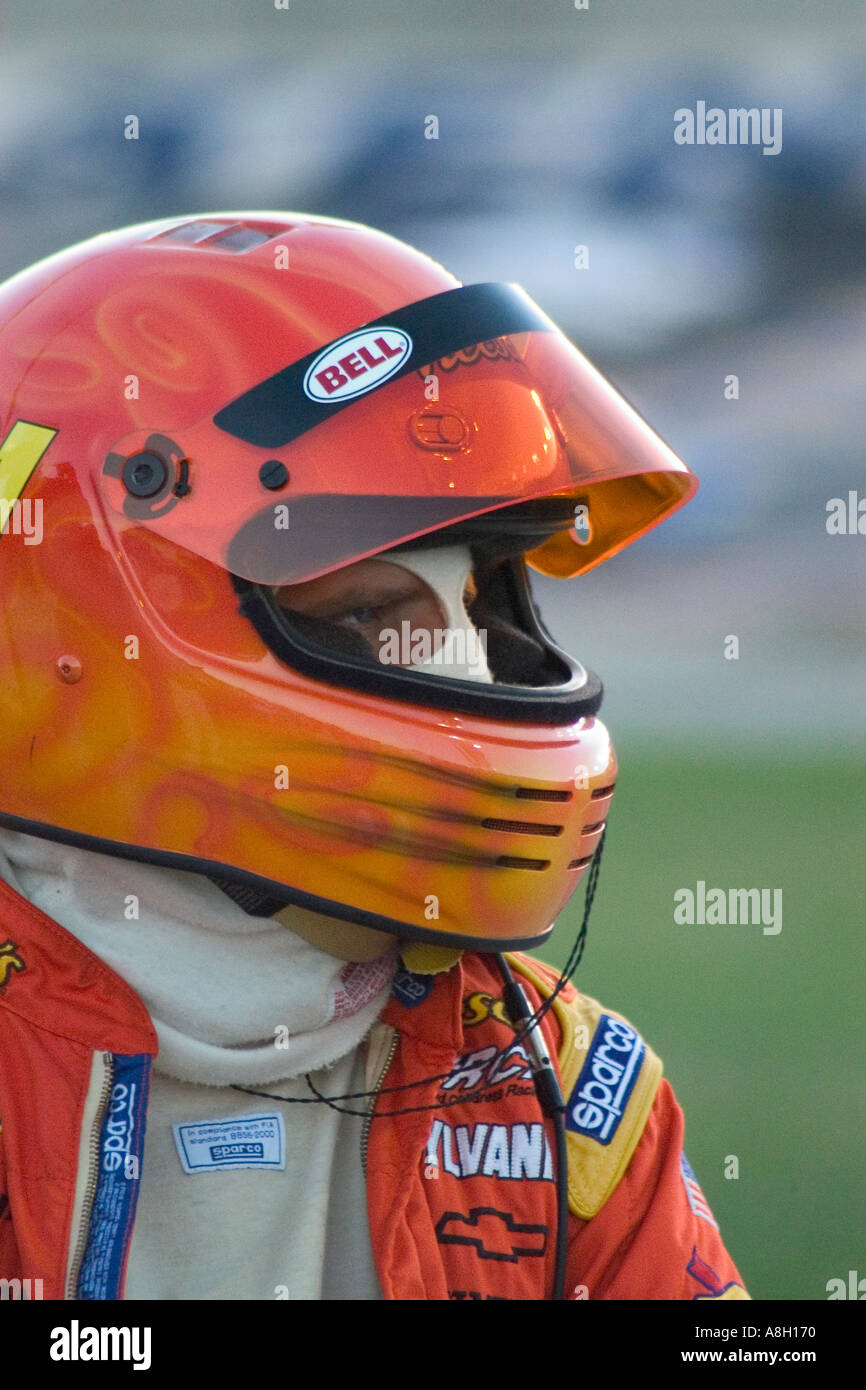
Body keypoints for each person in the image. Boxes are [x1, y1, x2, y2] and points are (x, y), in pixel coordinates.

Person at [0, 211, 748, 1301]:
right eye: (365, 612)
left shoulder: (566, 1078)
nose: (478, 680)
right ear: (84, 641)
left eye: (486, 605)